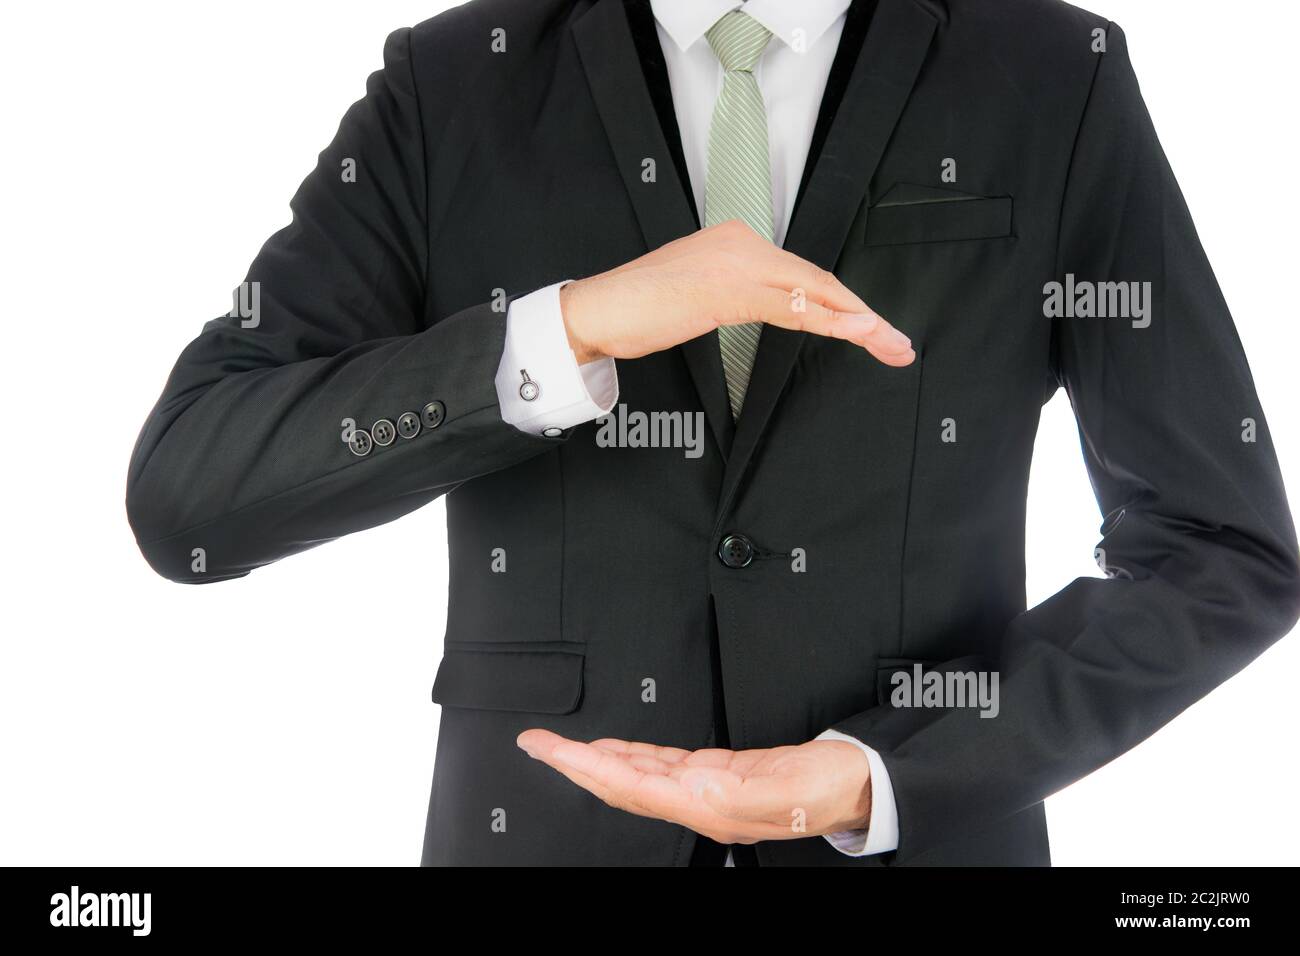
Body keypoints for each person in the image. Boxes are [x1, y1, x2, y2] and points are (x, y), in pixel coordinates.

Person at [127, 0, 1300, 866]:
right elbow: (192, 490)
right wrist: (570, 328)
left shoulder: (1052, 74)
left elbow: (1219, 548)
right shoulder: (451, 87)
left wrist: (885, 772)